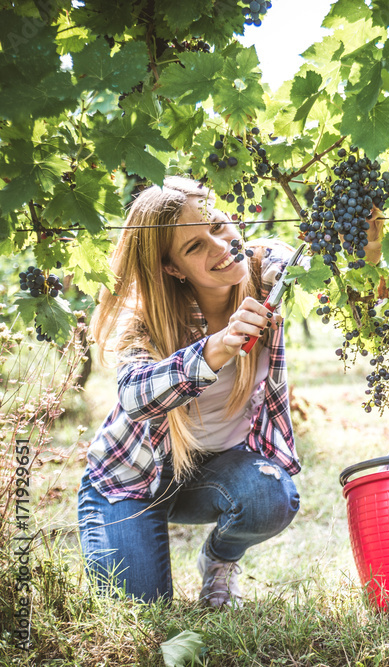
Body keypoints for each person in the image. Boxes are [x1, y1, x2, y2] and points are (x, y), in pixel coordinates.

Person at [78, 176, 307, 607]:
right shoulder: (143, 319)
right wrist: (216, 348)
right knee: (139, 611)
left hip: (215, 471)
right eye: (194, 246)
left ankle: (219, 561)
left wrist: (364, 247)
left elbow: (322, 269)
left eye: (218, 226)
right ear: (172, 267)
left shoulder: (263, 270)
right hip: (132, 478)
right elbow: (135, 395)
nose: (220, 246)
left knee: (268, 495)